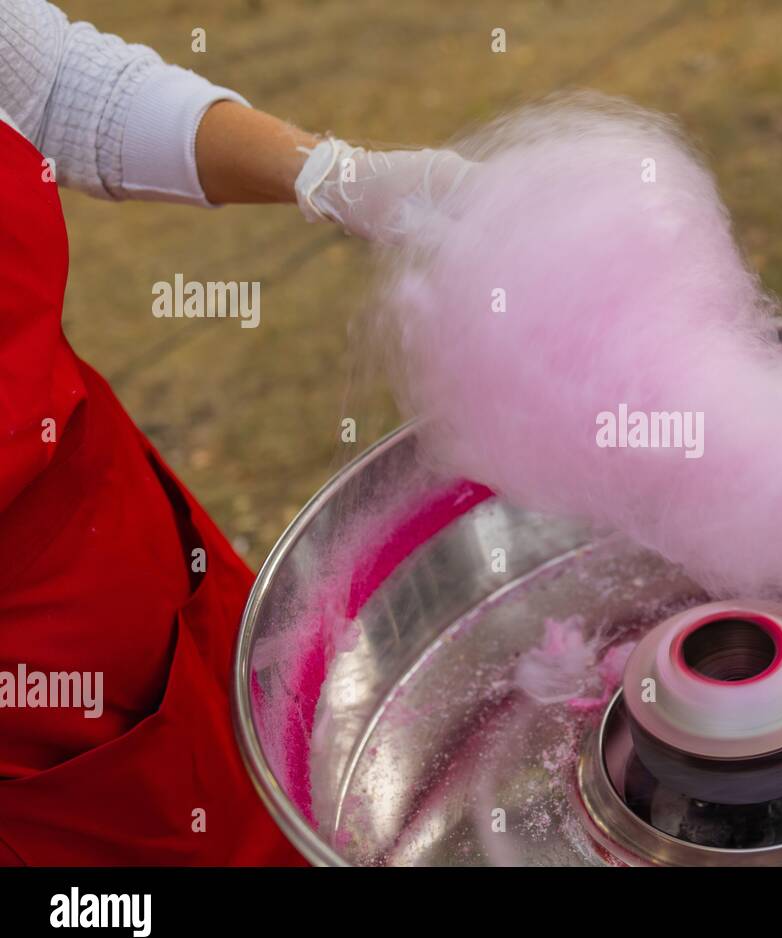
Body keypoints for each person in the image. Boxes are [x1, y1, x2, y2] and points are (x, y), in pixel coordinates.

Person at [0, 0, 470, 864]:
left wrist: (331, 175)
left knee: (295, 769)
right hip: (23, 708)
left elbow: (53, 84)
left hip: (116, 516)